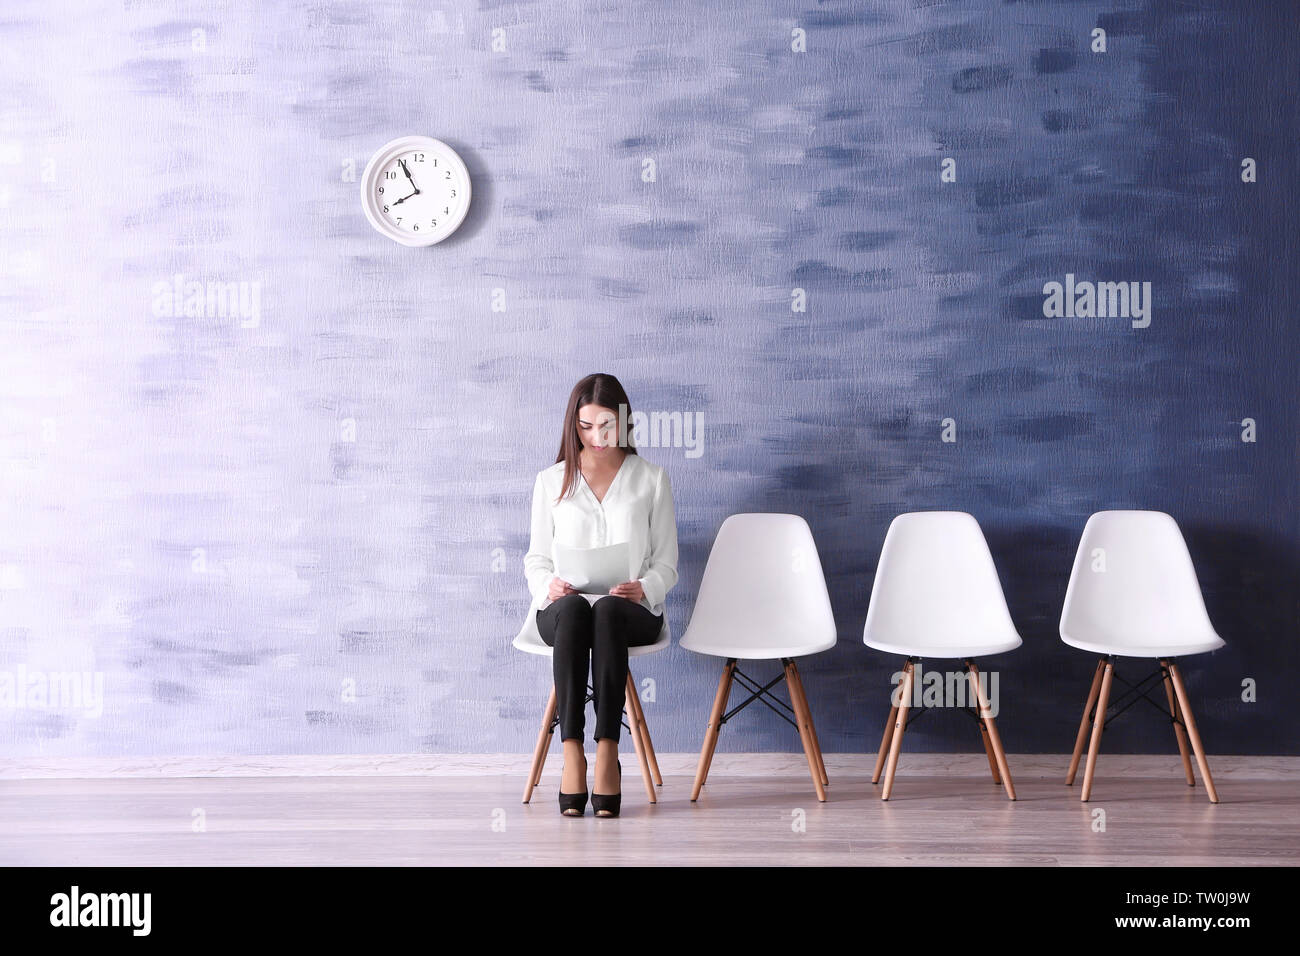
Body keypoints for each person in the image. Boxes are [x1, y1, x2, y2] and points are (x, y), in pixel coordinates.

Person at [522, 373, 679, 817]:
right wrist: (546, 584)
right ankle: (572, 753)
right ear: (574, 426)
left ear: (624, 421)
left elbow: (667, 564)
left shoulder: (651, 479)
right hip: (564, 611)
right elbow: (535, 559)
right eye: (586, 427)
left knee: (607, 610)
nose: (597, 437)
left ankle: (608, 750)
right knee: (574, 608)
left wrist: (644, 587)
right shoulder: (550, 482)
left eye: (606, 425)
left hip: (629, 611)